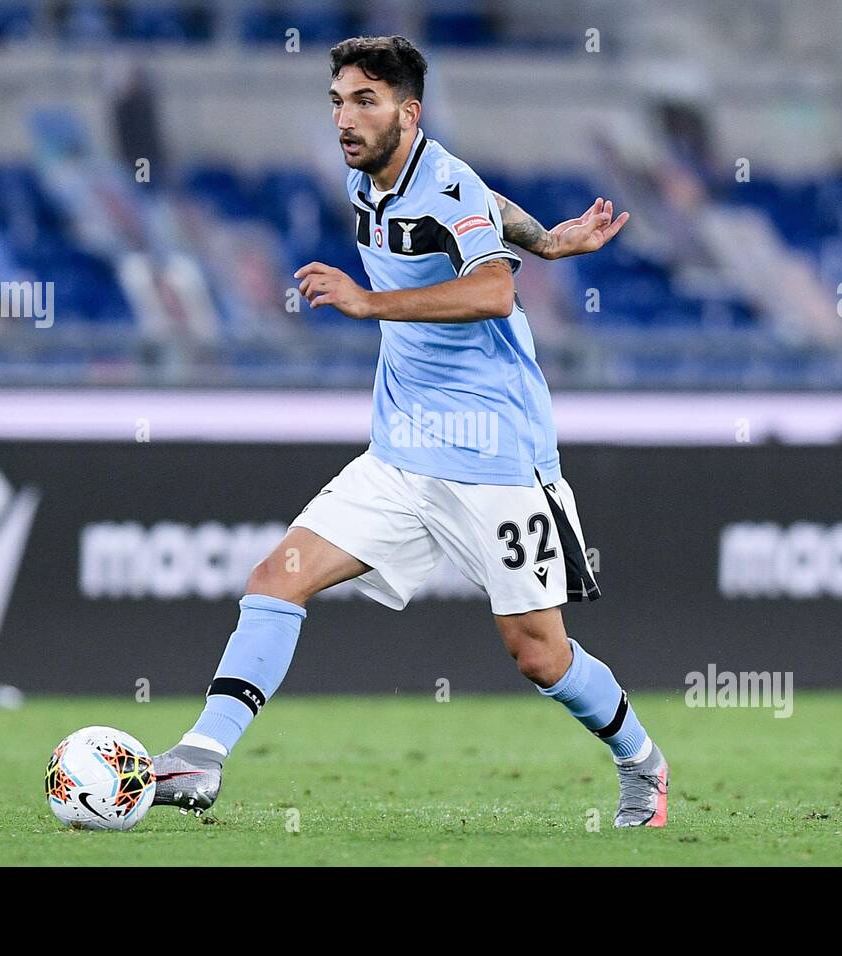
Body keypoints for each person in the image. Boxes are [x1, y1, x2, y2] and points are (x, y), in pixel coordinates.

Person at [152, 35, 666, 829]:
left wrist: (368, 302)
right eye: (336, 102)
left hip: (495, 458)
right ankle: (201, 756)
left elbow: (494, 291)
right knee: (274, 578)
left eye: (364, 101)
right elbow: (494, 212)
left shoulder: (442, 182)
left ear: (408, 111)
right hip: (399, 453)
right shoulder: (376, 177)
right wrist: (549, 240)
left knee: (539, 655)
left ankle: (643, 763)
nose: (345, 120)